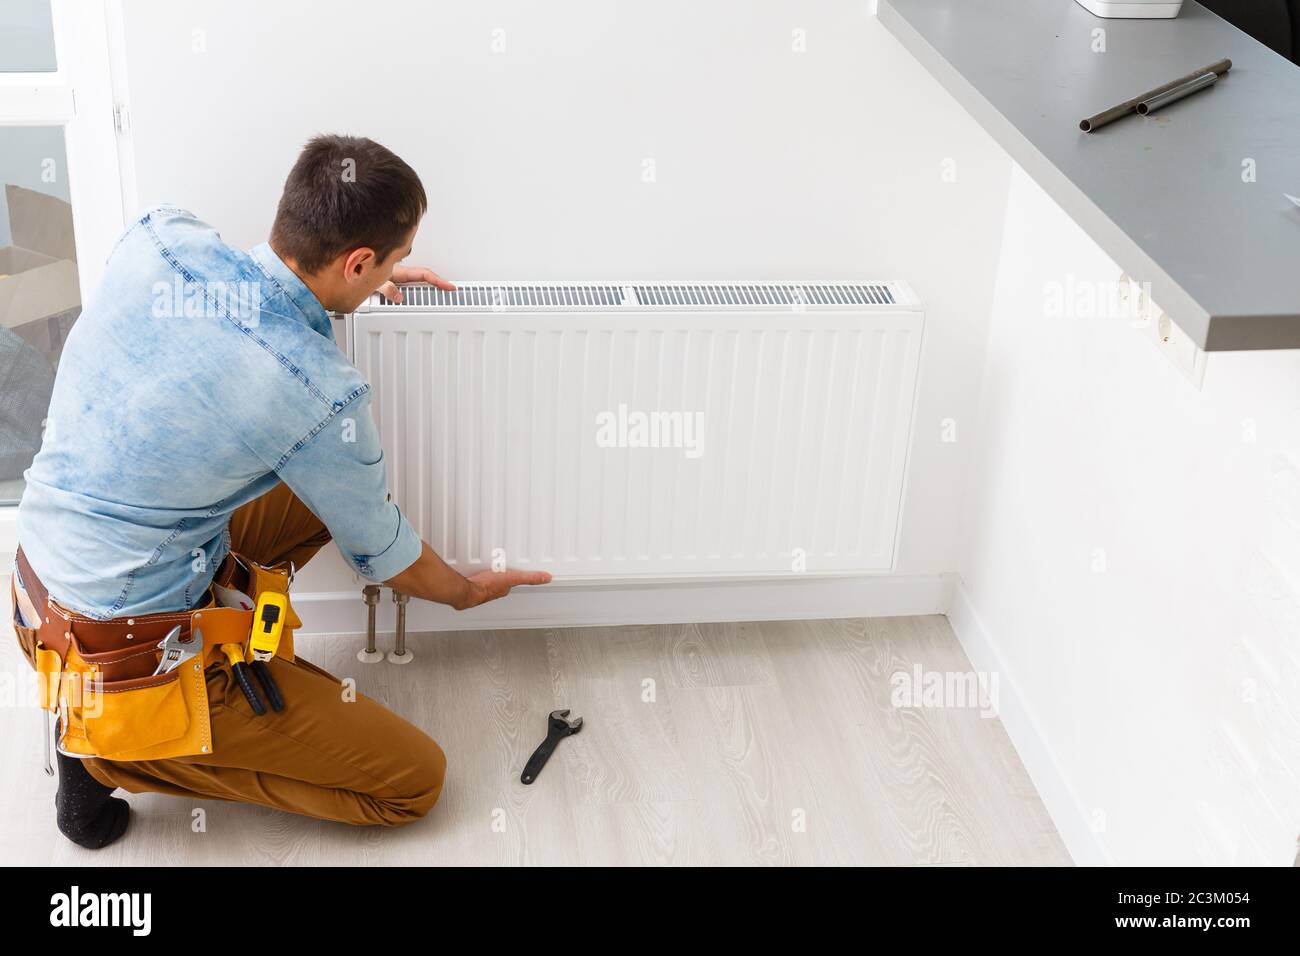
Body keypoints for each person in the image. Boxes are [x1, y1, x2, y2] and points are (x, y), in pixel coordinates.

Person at [12, 134, 551, 848]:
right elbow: (388, 557)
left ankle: (210, 665)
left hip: (34, 585)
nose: (392, 269)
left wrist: (342, 285)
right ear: (358, 260)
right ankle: (110, 751)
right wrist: (466, 589)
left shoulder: (159, 237)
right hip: (124, 656)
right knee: (414, 783)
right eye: (387, 259)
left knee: (320, 492)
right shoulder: (315, 392)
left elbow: (247, 310)